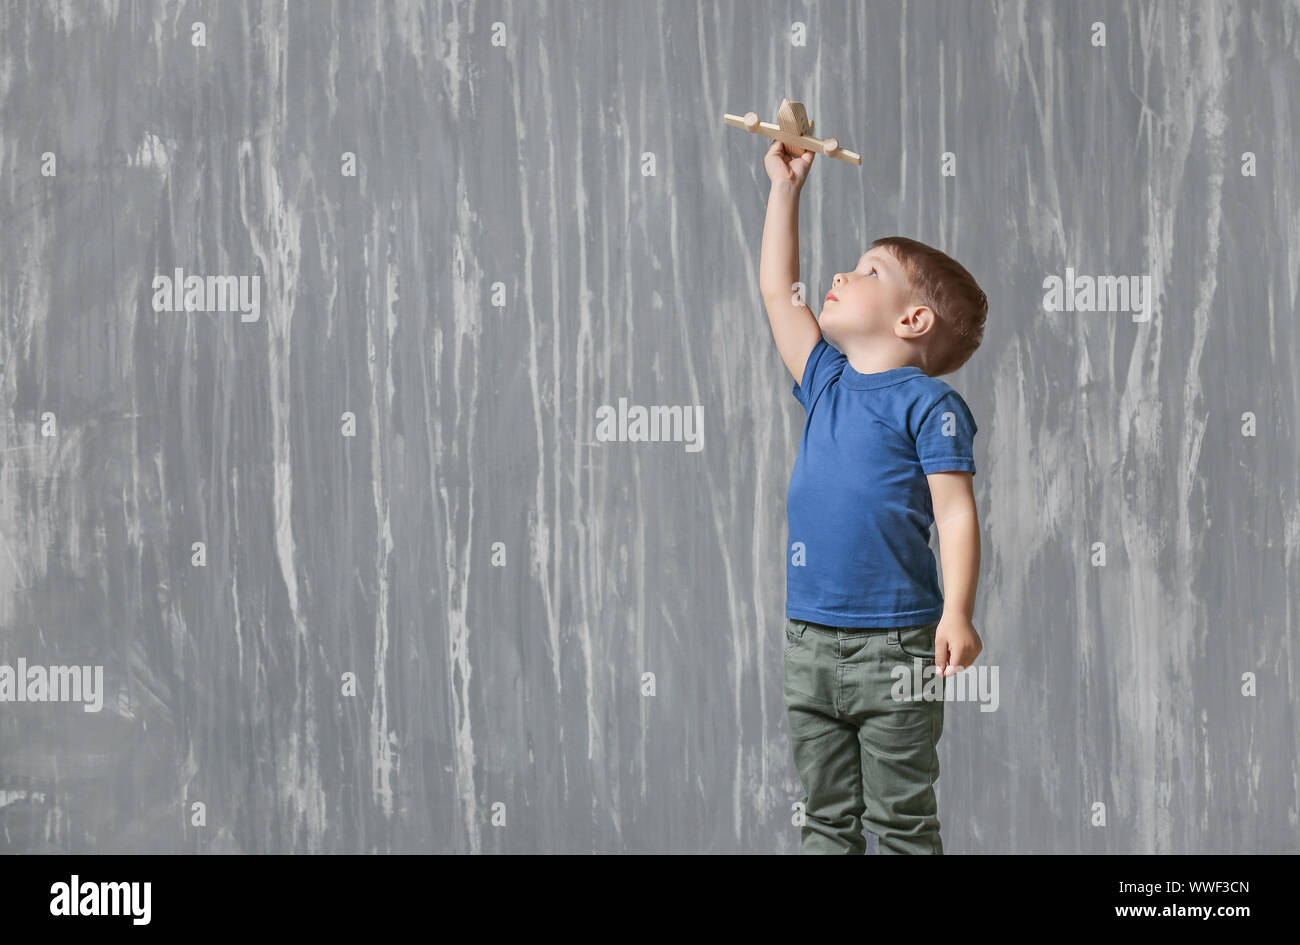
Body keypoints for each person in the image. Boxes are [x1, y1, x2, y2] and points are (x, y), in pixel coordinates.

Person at [759, 137, 988, 854]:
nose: (841, 273)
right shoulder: (825, 380)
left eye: (869, 270)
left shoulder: (929, 404)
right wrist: (786, 188)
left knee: (901, 823)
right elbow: (777, 290)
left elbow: (955, 513)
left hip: (899, 649)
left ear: (912, 320)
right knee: (824, 821)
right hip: (809, 639)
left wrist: (958, 612)